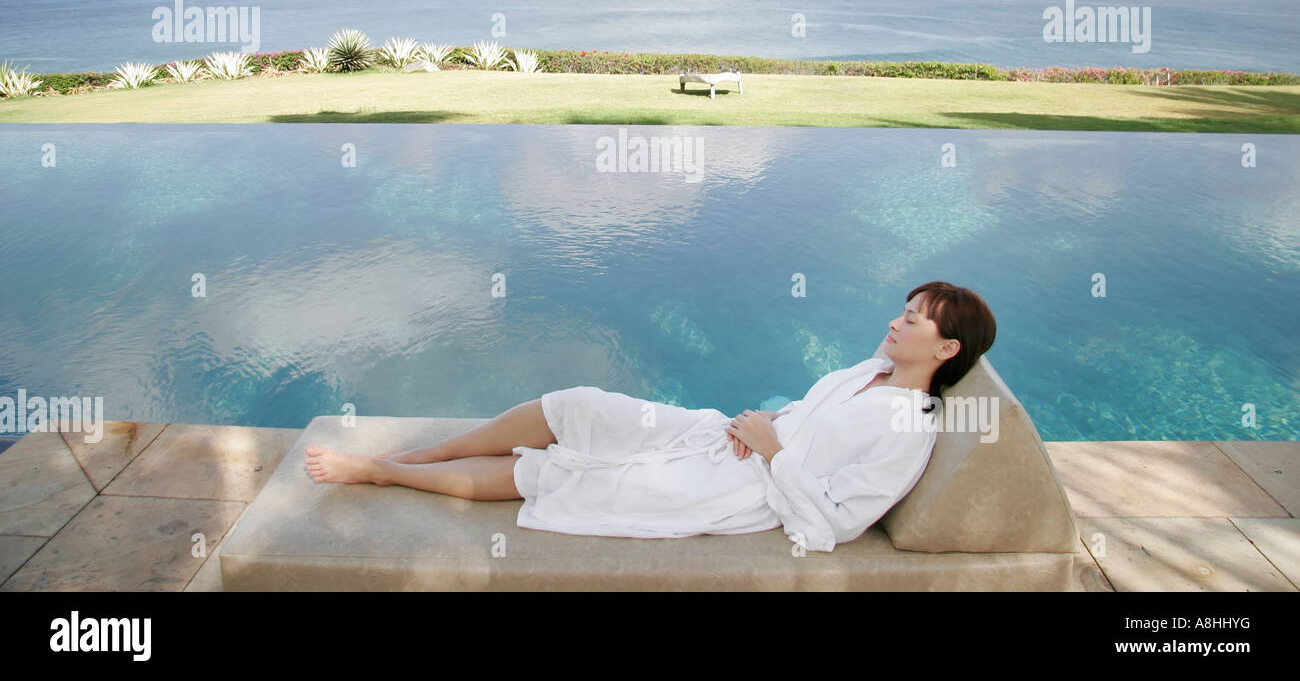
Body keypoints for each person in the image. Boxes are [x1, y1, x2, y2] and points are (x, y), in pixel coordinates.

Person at [304, 280, 996, 552]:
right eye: (902, 313)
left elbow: (841, 521)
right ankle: (433, 453)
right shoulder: (867, 371)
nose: (894, 324)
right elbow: (805, 414)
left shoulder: (911, 427)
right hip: (723, 439)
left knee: (556, 477)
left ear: (947, 347)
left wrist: (772, 452)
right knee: (578, 407)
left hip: (742, 488)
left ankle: (382, 470)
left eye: (911, 320)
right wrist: (761, 423)